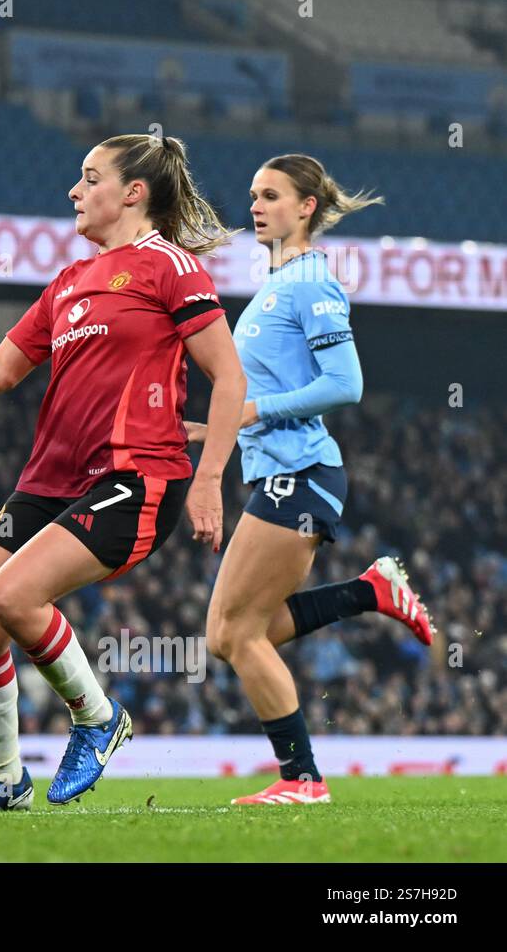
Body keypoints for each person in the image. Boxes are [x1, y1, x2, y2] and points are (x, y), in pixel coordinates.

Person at [0, 133, 246, 810]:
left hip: (138, 476)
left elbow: (228, 376)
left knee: (14, 597)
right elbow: (0, 370)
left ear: (133, 193)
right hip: (49, 478)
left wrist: (209, 479)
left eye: (89, 179)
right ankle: (6, 782)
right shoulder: (68, 282)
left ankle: (100, 718)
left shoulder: (170, 267)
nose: (73, 192)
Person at [187, 154, 432, 806]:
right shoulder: (276, 280)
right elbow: (259, 389)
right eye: (253, 195)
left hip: (301, 477)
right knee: (230, 635)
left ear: (307, 208)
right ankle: (369, 591)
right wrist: (214, 428)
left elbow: (345, 384)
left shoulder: (311, 283)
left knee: (236, 634)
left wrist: (253, 411)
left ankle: (302, 780)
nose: (256, 205)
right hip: (283, 474)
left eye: (271, 195)